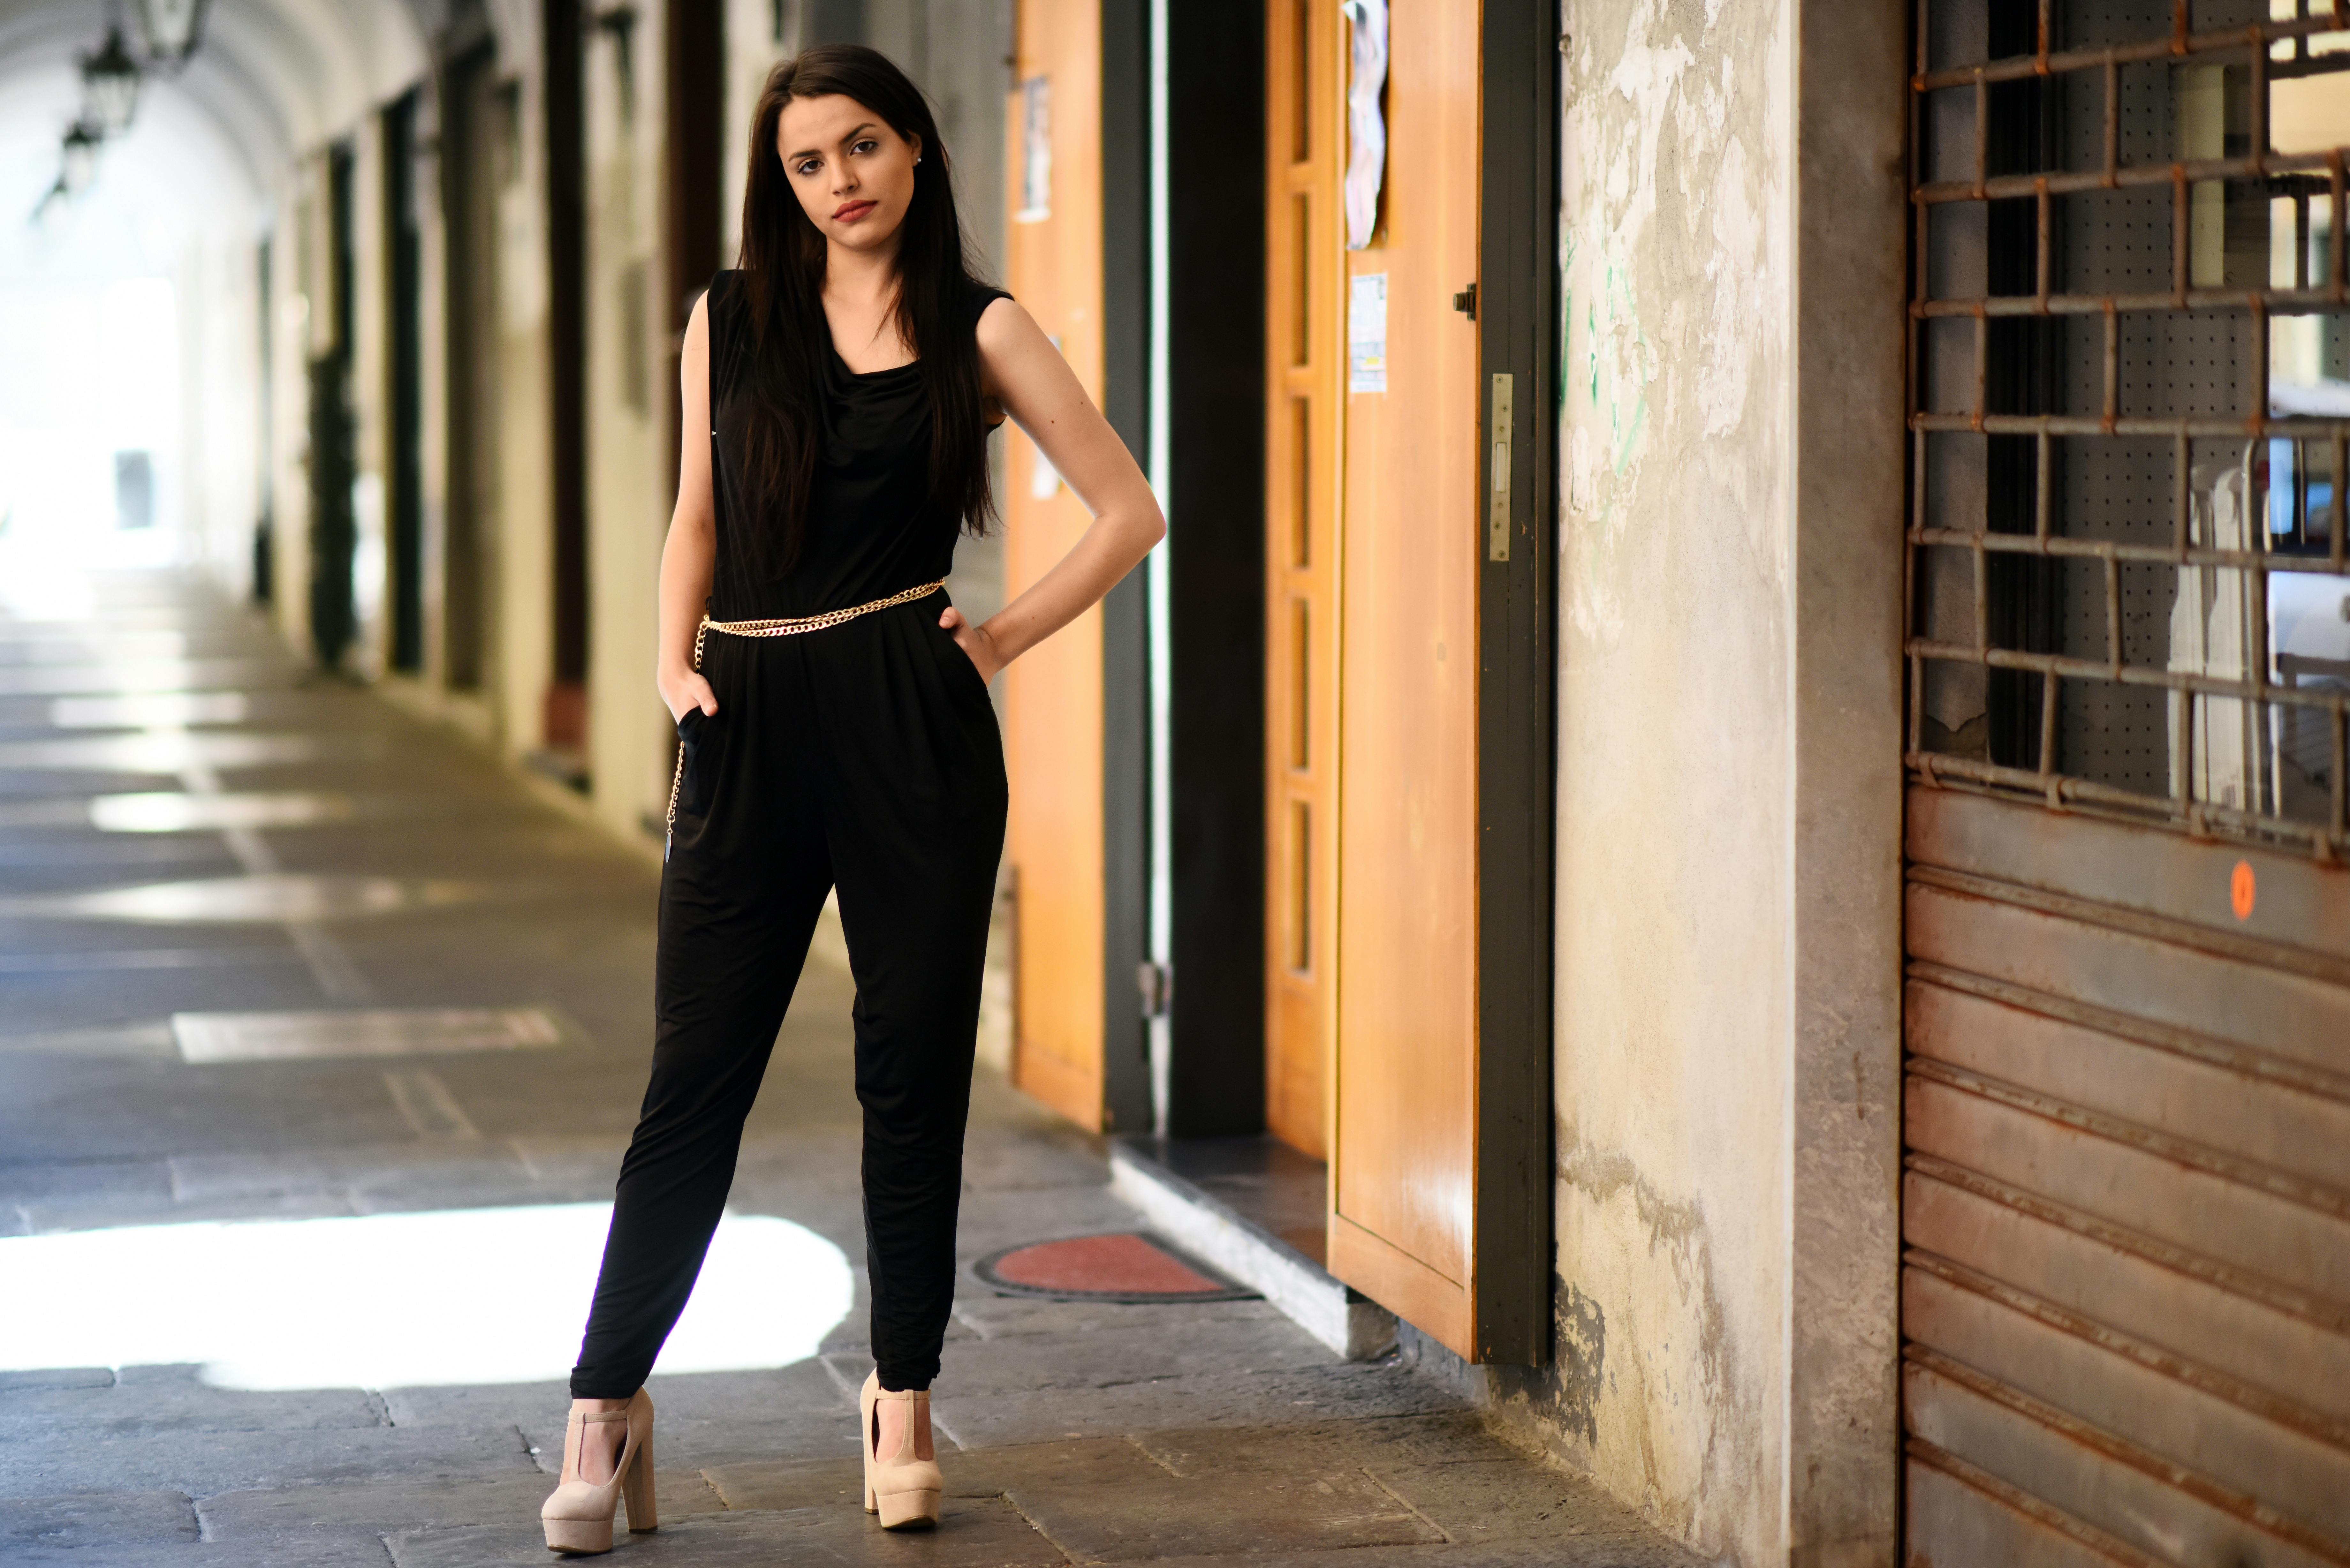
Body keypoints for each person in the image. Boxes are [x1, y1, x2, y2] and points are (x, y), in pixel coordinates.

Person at [537, 43, 1165, 1555]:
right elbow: (695, 510)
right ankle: (602, 1409)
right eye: (811, 162)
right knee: (695, 1083)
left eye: (864, 147)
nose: (842, 181)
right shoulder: (731, 319)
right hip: (746, 720)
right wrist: (669, 669)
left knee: (912, 1070)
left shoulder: (981, 327)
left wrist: (1000, 637)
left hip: (910, 719)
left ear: (917, 151)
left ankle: (902, 1398)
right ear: (785, 182)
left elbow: (1129, 509)